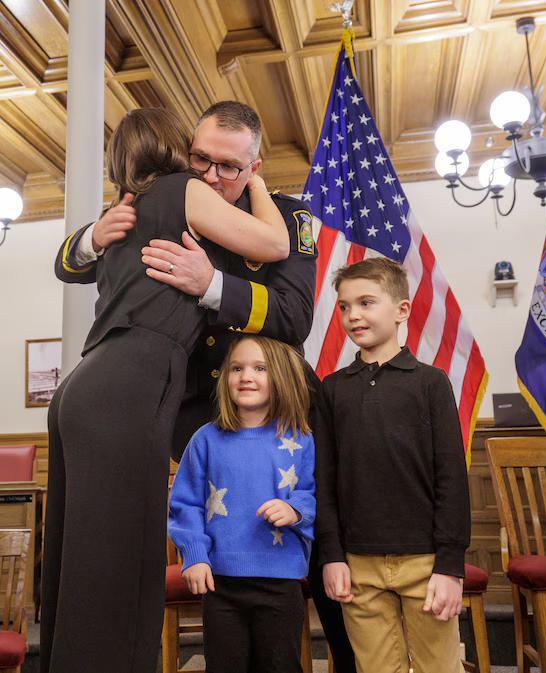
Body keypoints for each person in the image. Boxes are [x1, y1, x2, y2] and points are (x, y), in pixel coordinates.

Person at [53, 101, 356, 672]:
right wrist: (92, 235)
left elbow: (293, 316)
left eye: (229, 167)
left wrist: (213, 284)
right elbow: (74, 263)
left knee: (316, 553)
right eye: (201, 159)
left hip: (282, 412)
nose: (212, 176)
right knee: (225, 561)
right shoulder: (174, 198)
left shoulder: (289, 218)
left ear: (254, 166)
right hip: (200, 416)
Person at [315, 257, 471, 673]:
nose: (353, 315)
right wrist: (331, 555)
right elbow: (323, 481)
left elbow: (452, 478)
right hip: (357, 563)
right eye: (345, 306)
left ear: (401, 310)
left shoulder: (431, 383)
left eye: (366, 302)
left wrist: (449, 566)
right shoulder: (331, 390)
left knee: (440, 667)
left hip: (425, 562)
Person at [169, 336, 315, 673]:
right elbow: (185, 504)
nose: (245, 376)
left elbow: (312, 494)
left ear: (280, 377)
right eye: (236, 368)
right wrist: (194, 557)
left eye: (259, 368)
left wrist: (294, 511)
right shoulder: (205, 439)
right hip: (222, 584)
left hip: (281, 584)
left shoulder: (301, 439)